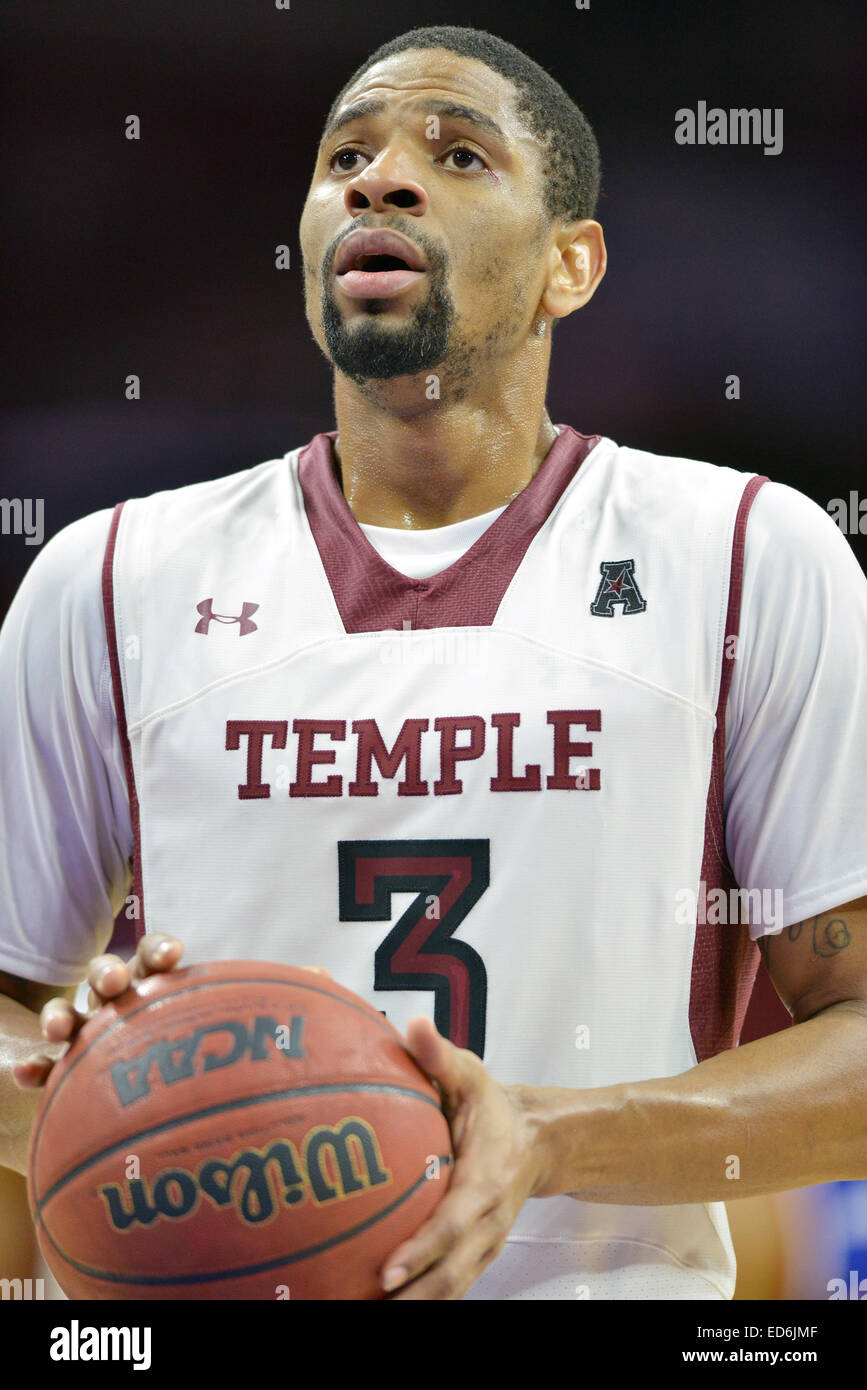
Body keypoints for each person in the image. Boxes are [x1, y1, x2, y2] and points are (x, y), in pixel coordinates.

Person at [1, 25, 866, 1302]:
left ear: (571, 264)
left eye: (458, 154)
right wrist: (105, 1086)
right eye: (344, 156)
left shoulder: (745, 554)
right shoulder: (108, 577)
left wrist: (546, 1138)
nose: (381, 179)